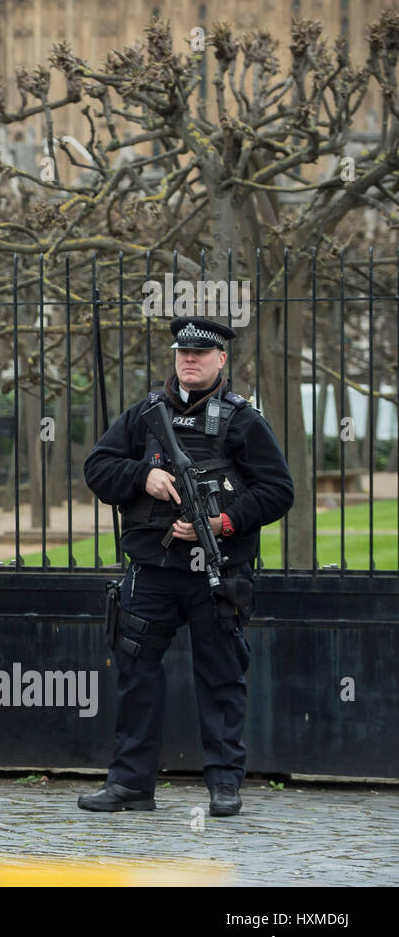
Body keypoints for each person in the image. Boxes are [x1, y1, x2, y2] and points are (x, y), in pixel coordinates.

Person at [81, 315, 293, 817]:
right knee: (136, 675)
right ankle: (131, 785)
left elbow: (278, 491)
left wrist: (220, 522)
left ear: (222, 359)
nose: (189, 360)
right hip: (153, 570)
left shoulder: (243, 420)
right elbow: (97, 469)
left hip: (216, 572)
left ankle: (224, 784)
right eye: (182, 353)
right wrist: (144, 476)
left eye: (200, 353)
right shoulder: (144, 414)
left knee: (221, 678)